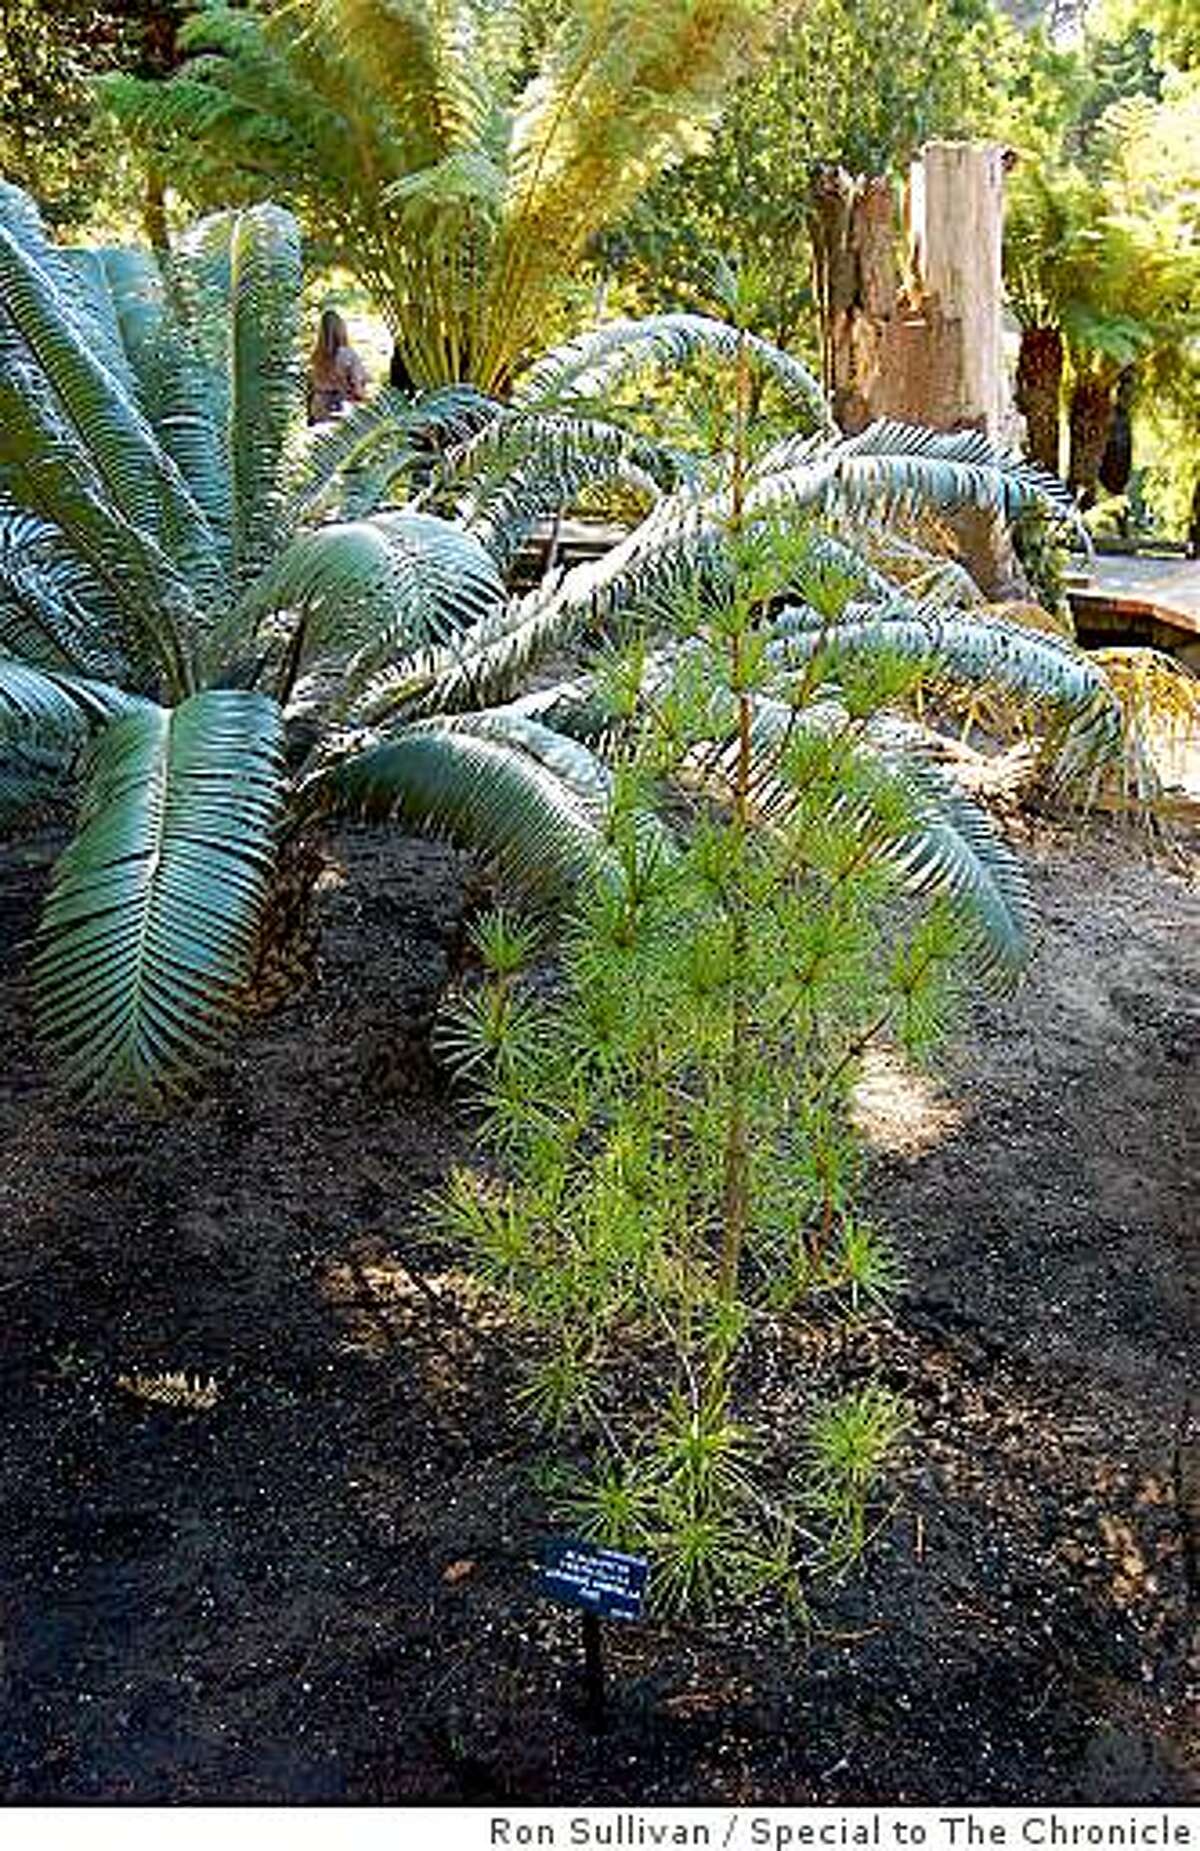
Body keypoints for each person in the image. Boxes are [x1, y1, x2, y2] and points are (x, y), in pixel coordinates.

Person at [307, 307, 368, 423]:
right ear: (341, 329)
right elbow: (358, 390)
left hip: (318, 409)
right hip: (342, 409)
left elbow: (310, 386)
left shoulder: (315, 357)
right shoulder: (349, 355)